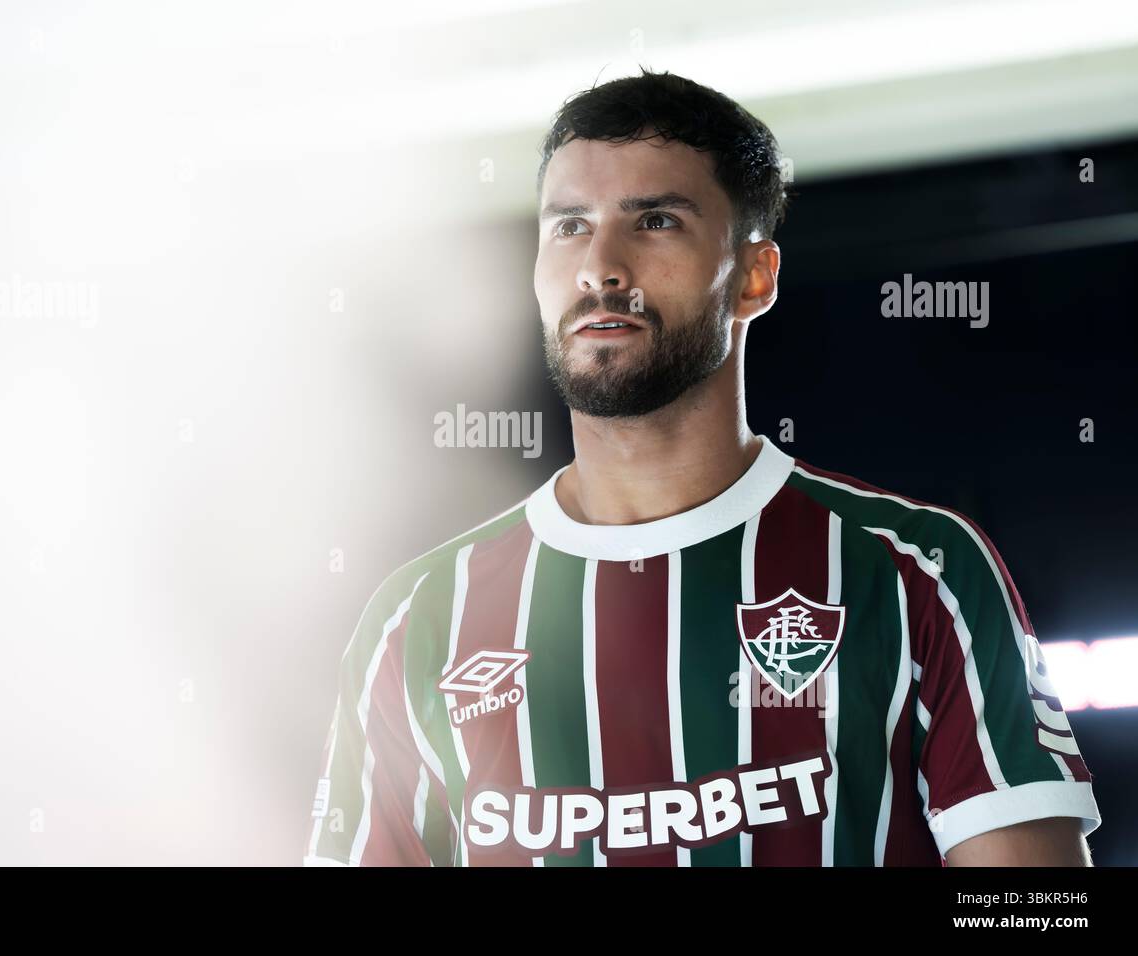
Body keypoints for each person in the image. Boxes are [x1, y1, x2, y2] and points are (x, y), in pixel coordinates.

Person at [302, 68, 1100, 867]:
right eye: (569, 227)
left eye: (653, 221)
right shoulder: (420, 621)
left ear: (753, 277)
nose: (601, 267)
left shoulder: (918, 572)